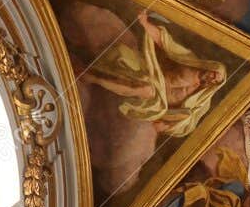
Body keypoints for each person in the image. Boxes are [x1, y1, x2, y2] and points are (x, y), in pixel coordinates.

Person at [85, 9, 226, 138]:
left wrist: (166, 126)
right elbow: (164, 42)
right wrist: (145, 23)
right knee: (122, 53)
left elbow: (187, 124)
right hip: (153, 75)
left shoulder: (202, 101)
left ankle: (95, 79)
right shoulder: (189, 60)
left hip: (158, 104)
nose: (212, 78)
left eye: (215, 81)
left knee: (146, 89)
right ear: (210, 67)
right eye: (213, 74)